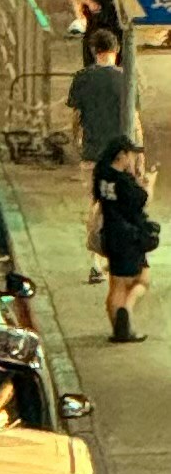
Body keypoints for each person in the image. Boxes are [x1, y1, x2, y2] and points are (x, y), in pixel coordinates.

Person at [95, 135, 159, 342]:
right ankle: (126, 311)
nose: (131, 159)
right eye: (130, 154)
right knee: (142, 281)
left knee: (116, 285)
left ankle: (118, 329)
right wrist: (149, 184)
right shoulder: (123, 181)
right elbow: (142, 201)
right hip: (129, 237)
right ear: (121, 155)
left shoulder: (102, 174)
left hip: (111, 235)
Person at [68, 25, 127, 179]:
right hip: (120, 155)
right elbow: (135, 120)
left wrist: (77, 143)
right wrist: (139, 155)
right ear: (117, 49)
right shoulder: (127, 80)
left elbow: (76, 118)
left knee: (95, 197)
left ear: (94, 50)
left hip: (91, 155)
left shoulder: (81, 78)